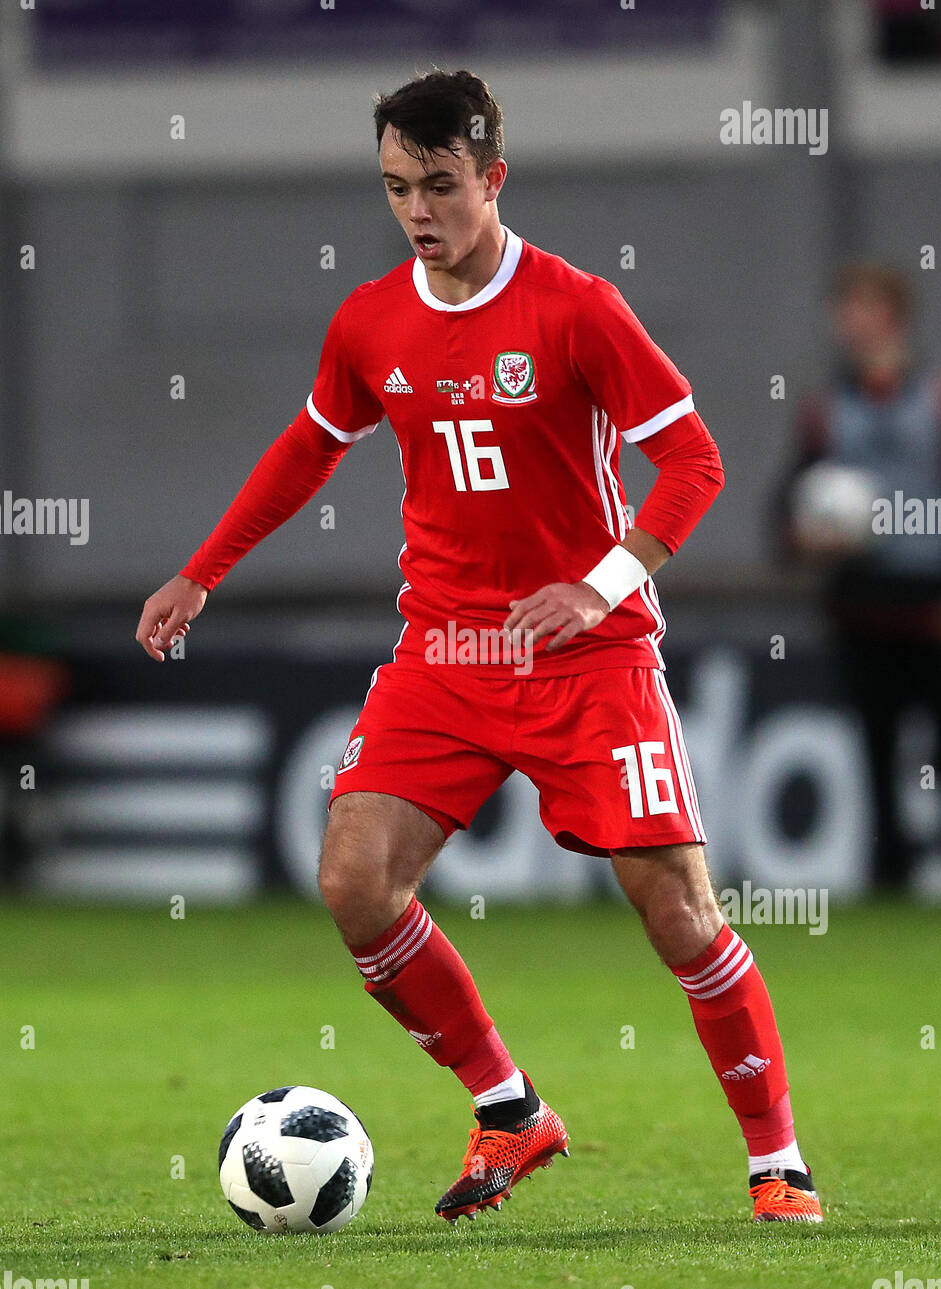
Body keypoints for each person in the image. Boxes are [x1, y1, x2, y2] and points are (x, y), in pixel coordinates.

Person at [136, 70, 822, 1224]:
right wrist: (201, 569)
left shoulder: (577, 309)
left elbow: (694, 461)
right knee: (355, 880)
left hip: (588, 659)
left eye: (440, 185)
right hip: (443, 654)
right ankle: (509, 1107)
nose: (418, 210)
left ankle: (777, 1164)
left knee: (678, 915)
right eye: (397, 187)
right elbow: (308, 447)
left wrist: (599, 586)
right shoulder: (369, 321)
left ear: (491, 178)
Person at [781, 263, 941, 890]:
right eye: (845, 310)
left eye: (865, 309)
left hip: (938, 610)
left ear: (894, 318)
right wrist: (804, 537)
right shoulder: (826, 410)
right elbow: (787, 509)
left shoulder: (940, 402)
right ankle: (890, 877)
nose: (852, 324)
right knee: (875, 753)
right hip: (864, 610)